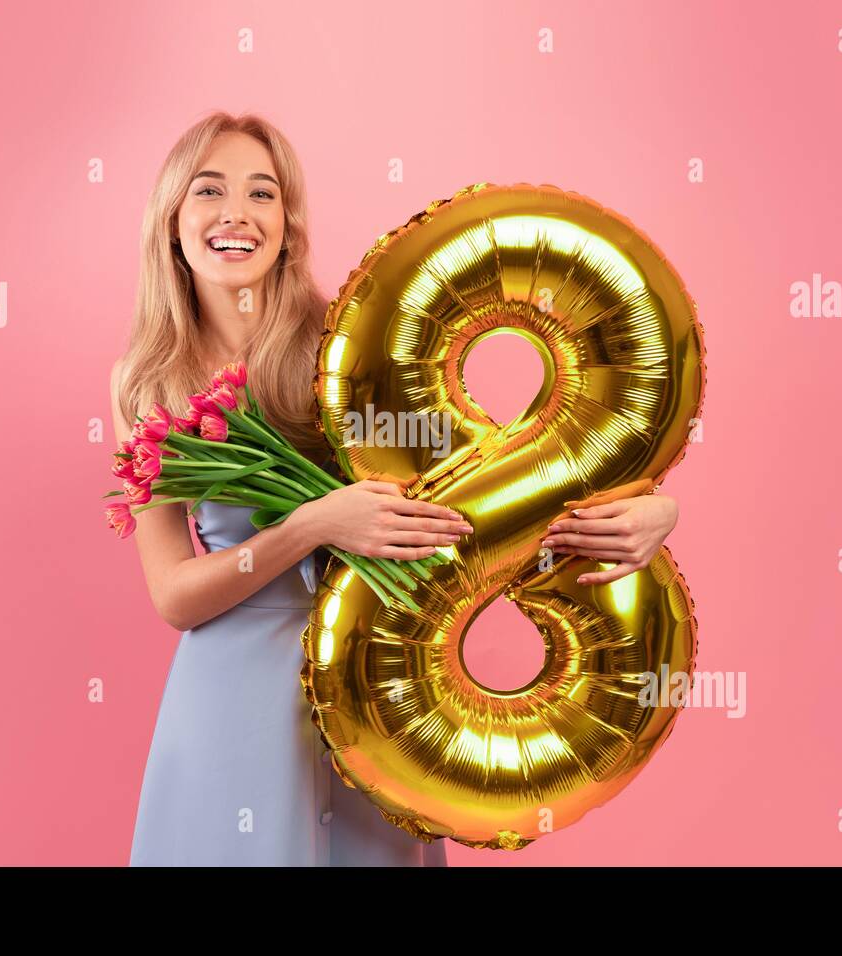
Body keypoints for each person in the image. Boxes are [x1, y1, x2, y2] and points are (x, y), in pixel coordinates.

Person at [110, 111, 681, 866]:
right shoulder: (145, 381)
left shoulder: (346, 346)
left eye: (263, 193)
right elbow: (174, 595)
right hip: (228, 701)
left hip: (373, 692)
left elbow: (492, 489)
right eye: (209, 191)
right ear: (173, 220)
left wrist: (653, 509)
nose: (237, 214)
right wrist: (313, 526)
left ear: (288, 222)